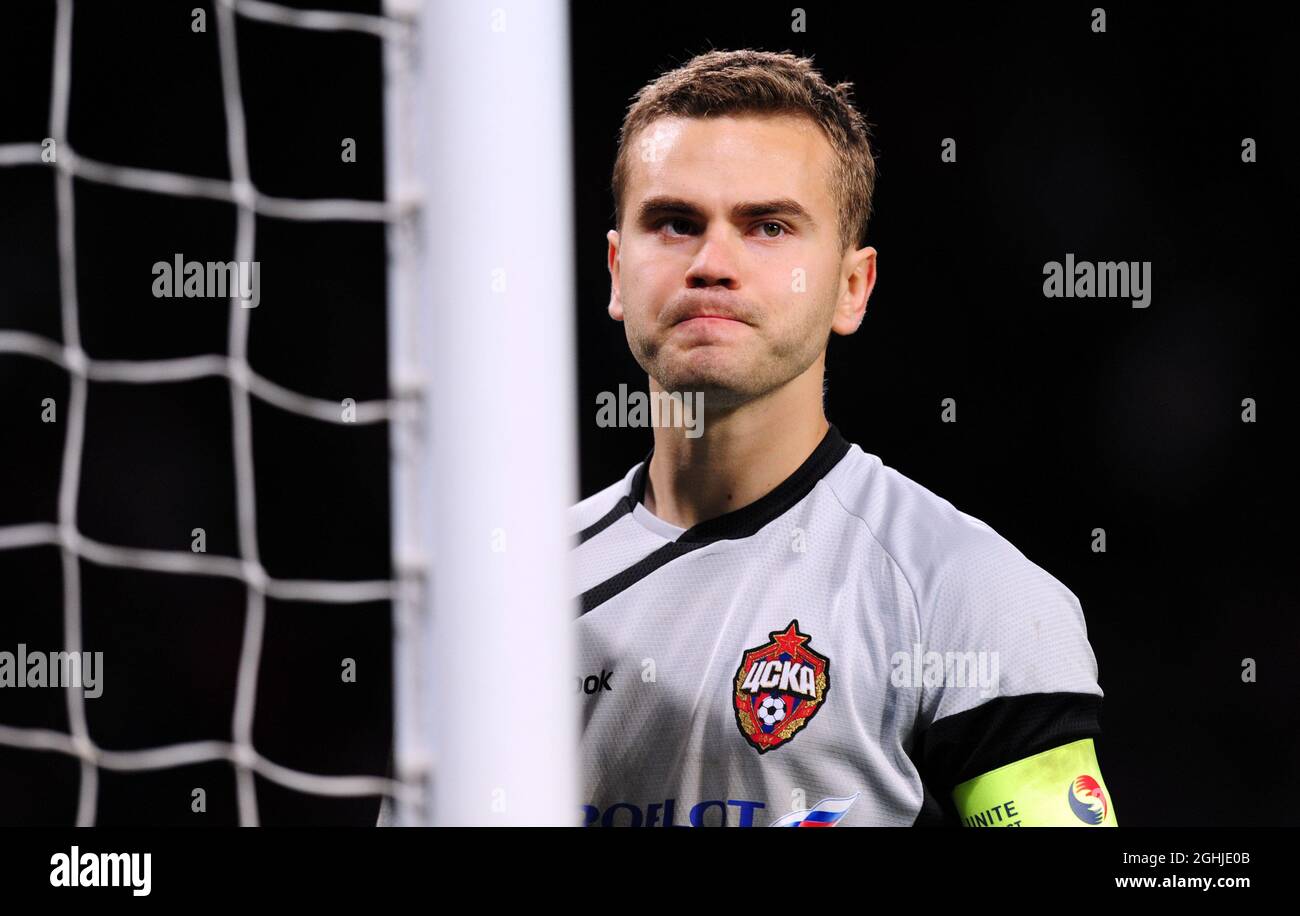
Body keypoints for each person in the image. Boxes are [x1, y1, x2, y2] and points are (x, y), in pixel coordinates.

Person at [570, 49, 1116, 827]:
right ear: (618, 273)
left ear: (851, 287)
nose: (712, 262)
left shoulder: (965, 597)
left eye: (768, 226)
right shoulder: (506, 596)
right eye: (675, 222)